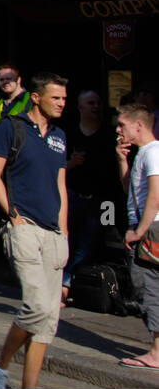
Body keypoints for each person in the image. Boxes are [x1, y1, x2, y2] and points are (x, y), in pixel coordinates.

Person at [0, 72, 69, 389]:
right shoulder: (12, 127)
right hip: (25, 229)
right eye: (56, 97)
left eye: (64, 98)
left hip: (54, 234)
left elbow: (60, 185)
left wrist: (64, 231)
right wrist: (13, 215)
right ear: (36, 97)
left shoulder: (60, 135)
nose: (62, 103)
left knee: (48, 323)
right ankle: (0, 366)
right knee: (35, 307)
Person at [62, 89, 119, 304]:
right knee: (70, 241)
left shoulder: (108, 133)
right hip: (73, 195)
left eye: (98, 103)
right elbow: (55, 170)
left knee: (92, 242)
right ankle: (68, 283)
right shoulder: (68, 133)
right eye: (90, 103)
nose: (96, 107)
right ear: (80, 107)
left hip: (102, 200)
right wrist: (70, 164)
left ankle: (70, 284)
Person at [118, 101, 159, 369]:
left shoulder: (153, 153)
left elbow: (155, 196)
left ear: (139, 125)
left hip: (151, 228)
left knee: (150, 288)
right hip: (148, 225)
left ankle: (156, 354)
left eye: (122, 125)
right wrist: (121, 159)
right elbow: (129, 191)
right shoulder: (143, 153)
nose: (119, 131)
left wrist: (138, 232)